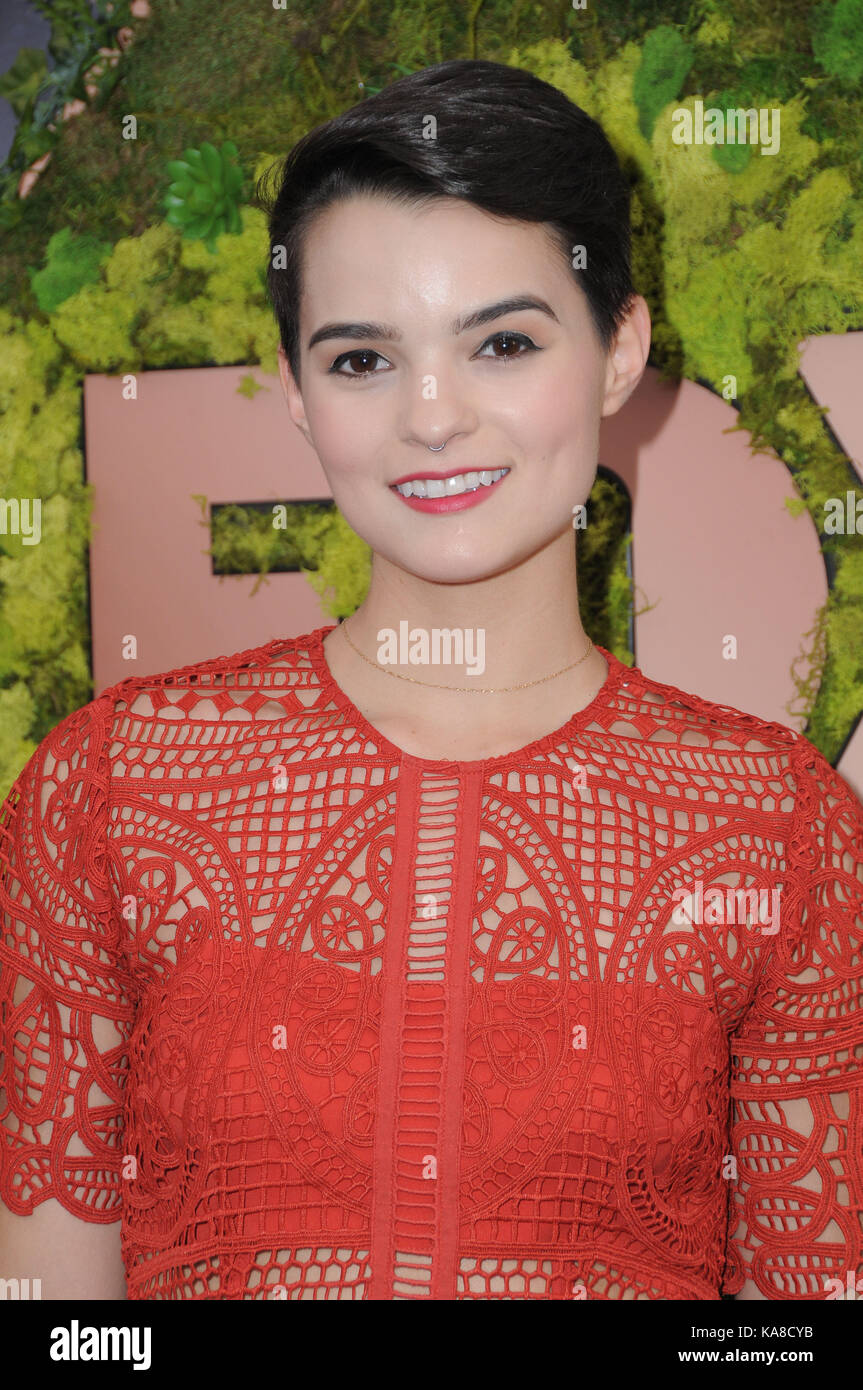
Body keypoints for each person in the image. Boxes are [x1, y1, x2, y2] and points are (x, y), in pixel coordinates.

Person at [1, 59, 861, 1302]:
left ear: (618, 348)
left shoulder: (776, 828)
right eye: (361, 360)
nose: (432, 416)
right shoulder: (108, 789)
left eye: (501, 342)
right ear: (295, 390)